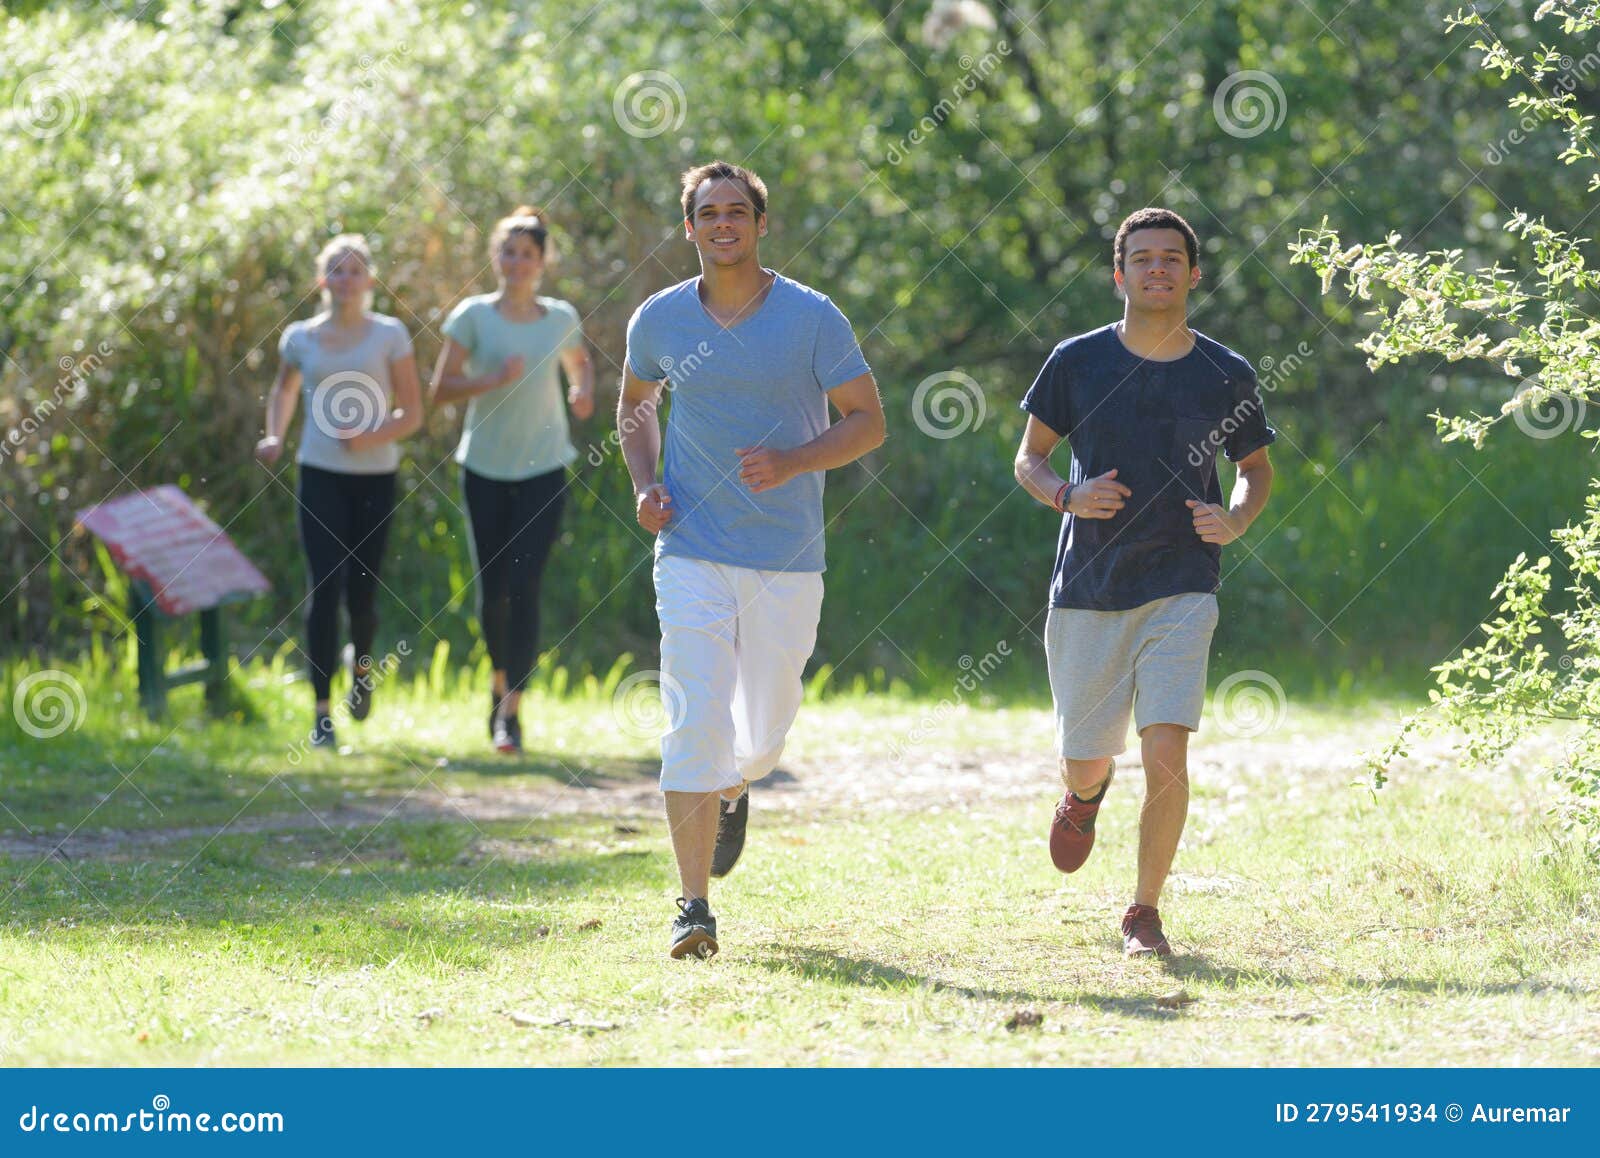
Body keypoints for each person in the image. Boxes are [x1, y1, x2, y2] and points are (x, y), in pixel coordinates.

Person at [619, 161, 886, 960]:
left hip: (786, 554)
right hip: (692, 547)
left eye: (738, 211)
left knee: (762, 734)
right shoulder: (660, 319)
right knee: (692, 716)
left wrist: (795, 460)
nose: (723, 223)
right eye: (708, 213)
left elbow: (868, 421)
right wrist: (644, 484)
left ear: (760, 225)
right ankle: (692, 907)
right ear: (690, 228)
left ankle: (736, 785)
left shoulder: (810, 318)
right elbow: (635, 405)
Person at [1012, 207, 1276, 957]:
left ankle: (1143, 912)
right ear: (1119, 273)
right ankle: (1083, 795)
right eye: (1142, 257)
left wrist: (1234, 518)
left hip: (1183, 582)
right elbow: (1028, 459)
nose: (1157, 268)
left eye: (1172, 258)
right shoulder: (1076, 360)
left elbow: (1255, 472)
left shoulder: (1228, 372)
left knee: (1168, 753)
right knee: (1088, 753)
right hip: (1089, 586)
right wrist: (1066, 494)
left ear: (1193, 274)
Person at [431, 207, 595, 754]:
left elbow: (580, 365)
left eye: (528, 254)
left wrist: (582, 392)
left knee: (526, 589)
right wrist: (488, 380)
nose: (517, 263)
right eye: (508, 252)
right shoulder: (473, 317)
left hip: (544, 469)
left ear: (542, 262)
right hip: (483, 469)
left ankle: (511, 712)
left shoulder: (560, 318)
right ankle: (498, 680)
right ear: (495, 258)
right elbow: (440, 388)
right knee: (493, 592)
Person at [256, 234, 422, 748]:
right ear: (321, 280)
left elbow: (413, 414)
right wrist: (275, 435)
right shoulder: (300, 338)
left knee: (363, 595)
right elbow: (283, 392)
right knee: (323, 589)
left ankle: (362, 670)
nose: (345, 281)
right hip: (320, 474)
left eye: (355, 272)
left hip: (375, 477)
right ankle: (321, 713)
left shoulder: (389, 335)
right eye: (336, 271)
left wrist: (369, 437)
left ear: (370, 280)